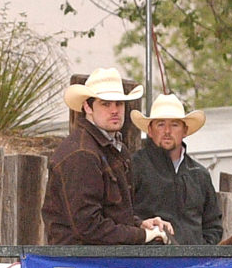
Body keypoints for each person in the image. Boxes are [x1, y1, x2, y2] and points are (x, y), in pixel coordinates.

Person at [43, 68, 172, 246]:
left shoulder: (113, 149)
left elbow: (111, 215)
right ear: (87, 107)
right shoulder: (82, 154)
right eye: (105, 104)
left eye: (119, 103)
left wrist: (140, 225)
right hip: (79, 264)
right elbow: (88, 227)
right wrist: (141, 235)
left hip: (97, 263)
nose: (114, 110)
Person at [130, 94, 221, 246]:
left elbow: (213, 225)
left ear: (185, 130)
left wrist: (202, 251)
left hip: (193, 267)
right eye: (160, 124)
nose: (167, 131)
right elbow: (121, 217)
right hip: (148, 266)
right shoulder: (134, 166)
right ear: (150, 130)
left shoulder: (200, 174)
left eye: (174, 124)